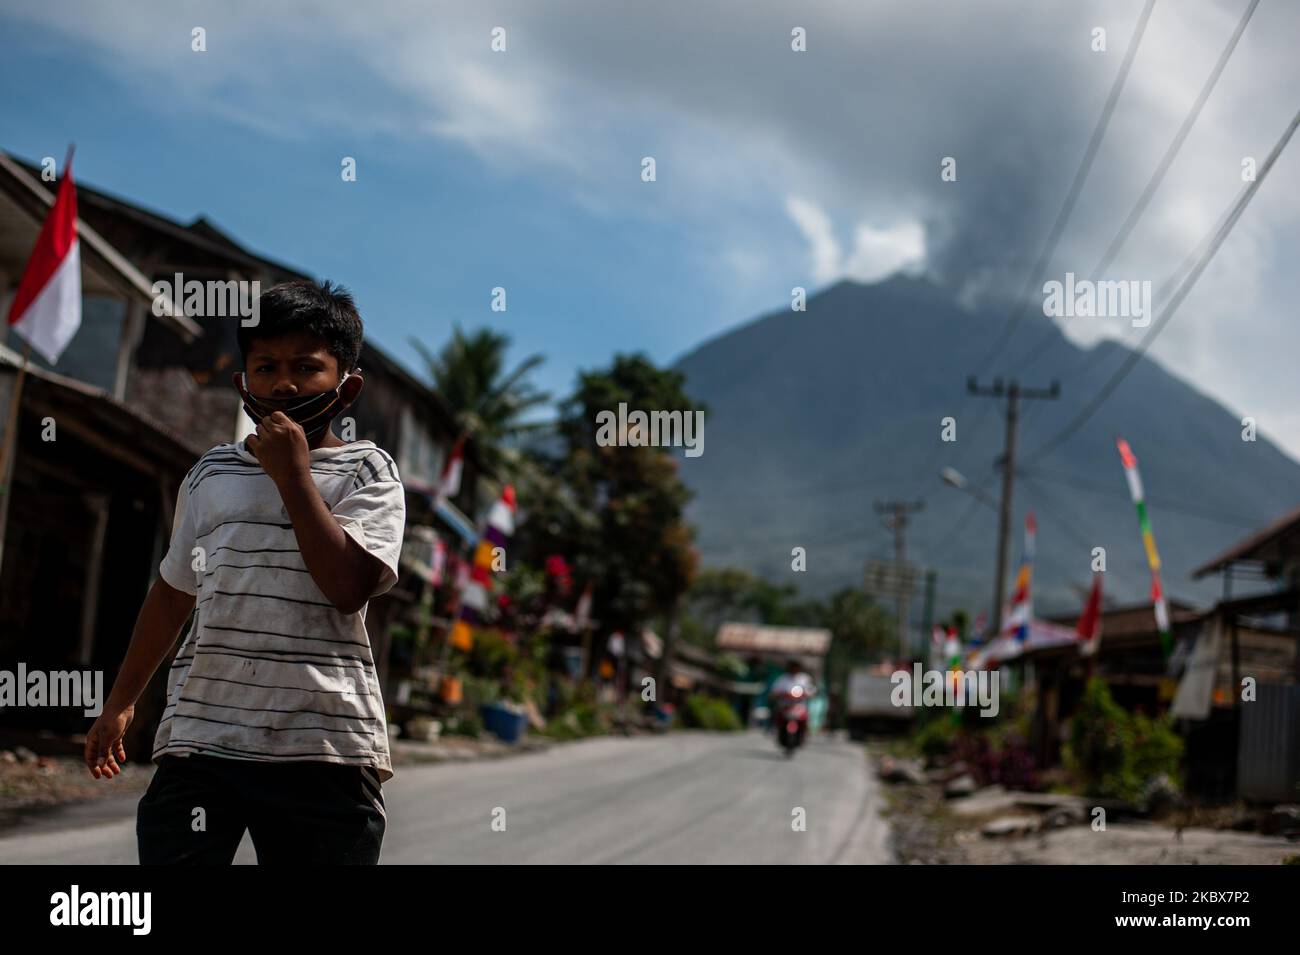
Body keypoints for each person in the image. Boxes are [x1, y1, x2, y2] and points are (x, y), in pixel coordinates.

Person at [83, 279, 406, 865]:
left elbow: (346, 586)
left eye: (307, 368)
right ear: (243, 385)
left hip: (323, 746)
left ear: (347, 387)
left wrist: (293, 477)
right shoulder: (211, 474)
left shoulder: (367, 471)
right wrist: (121, 703)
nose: (284, 385)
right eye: (265, 368)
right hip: (202, 739)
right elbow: (173, 594)